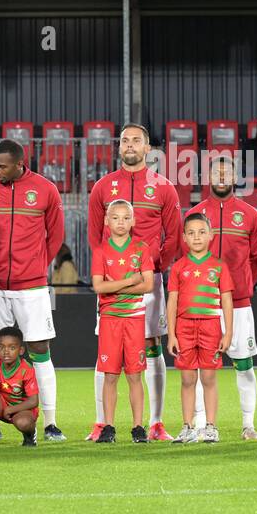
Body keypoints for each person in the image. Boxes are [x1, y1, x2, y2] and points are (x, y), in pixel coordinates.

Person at [87, 123, 181, 441]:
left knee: (151, 347)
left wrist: (155, 268)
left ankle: (154, 423)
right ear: (119, 147)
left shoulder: (164, 187)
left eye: (136, 140)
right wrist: (111, 274)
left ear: (147, 148)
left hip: (148, 281)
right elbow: (93, 236)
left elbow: (174, 236)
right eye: (124, 140)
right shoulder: (102, 187)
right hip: (111, 284)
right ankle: (103, 423)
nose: (129, 145)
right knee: (107, 355)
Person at [0, 139, 66, 442]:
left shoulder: (45, 189)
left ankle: (50, 422)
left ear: (19, 164)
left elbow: (56, 234)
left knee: (40, 350)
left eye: (2, 166)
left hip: (33, 286)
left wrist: (38, 264)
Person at [185, 154, 257, 439]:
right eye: (216, 173)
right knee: (199, 368)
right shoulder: (194, 215)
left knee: (244, 365)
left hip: (240, 303)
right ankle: (199, 424)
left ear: (235, 179)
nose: (221, 177)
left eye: (227, 173)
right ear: (208, 178)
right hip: (203, 306)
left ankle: (248, 425)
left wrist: (241, 285)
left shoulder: (250, 215)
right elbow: (187, 261)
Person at [90, 199, 155, 444]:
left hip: (134, 319)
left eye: (126, 217)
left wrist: (113, 287)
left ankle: (138, 427)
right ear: (107, 221)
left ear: (133, 221)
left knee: (135, 375)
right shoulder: (101, 251)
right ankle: (108, 426)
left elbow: (148, 284)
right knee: (110, 375)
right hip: (109, 319)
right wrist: (130, 282)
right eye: (115, 217)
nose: (121, 222)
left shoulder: (141, 248)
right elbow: (99, 286)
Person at [166, 212, 234, 443]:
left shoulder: (219, 266)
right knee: (187, 379)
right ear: (184, 237)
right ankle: (187, 426)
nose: (197, 237)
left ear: (211, 235)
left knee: (208, 378)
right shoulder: (178, 267)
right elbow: (172, 301)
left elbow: (226, 300)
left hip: (210, 327)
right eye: (191, 233)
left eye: (202, 232)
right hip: (184, 328)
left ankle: (211, 426)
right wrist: (171, 334)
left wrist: (228, 332)